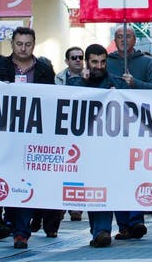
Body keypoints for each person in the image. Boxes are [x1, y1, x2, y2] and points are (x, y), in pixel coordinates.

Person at [0, 26, 57, 249]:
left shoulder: (44, 69)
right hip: (4, 134)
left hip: (33, 135)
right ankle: (9, 220)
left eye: (27, 44)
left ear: (33, 45)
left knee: (26, 181)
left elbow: (52, 99)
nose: (23, 48)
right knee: (6, 179)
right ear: (12, 44)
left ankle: (21, 232)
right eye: (19, 44)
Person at [106, 24, 152, 240]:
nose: (123, 39)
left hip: (139, 129)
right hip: (112, 129)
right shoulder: (107, 62)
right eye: (119, 36)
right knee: (117, 176)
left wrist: (135, 83)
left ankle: (136, 219)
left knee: (136, 172)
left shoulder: (145, 62)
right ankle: (123, 225)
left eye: (127, 36)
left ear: (134, 40)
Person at [68, 44, 127, 247]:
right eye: (94, 62)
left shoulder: (117, 84)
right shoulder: (77, 82)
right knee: (90, 188)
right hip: (83, 146)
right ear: (87, 62)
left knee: (104, 186)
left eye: (102, 62)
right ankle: (97, 231)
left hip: (110, 146)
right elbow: (66, 100)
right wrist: (81, 82)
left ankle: (102, 231)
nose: (99, 66)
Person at [53, 45, 85, 222]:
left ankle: (76, 206)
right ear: (67, 61)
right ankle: (61, 206)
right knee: (64, 171)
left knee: (79, 171)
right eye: (74, 57)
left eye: (80, 57)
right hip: (63, 130)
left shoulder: (90, 77)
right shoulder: (58, 79)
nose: (78, 60)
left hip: (84, 131)